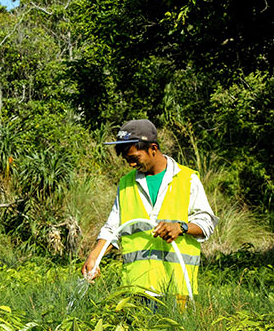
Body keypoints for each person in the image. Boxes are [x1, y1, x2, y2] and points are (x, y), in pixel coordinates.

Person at [82, 119, 216, 300]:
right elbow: (112, 228)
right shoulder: (126, 184)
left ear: (153, 148)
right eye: (127, 160)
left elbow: (207, 223)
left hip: (177, 289)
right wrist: (94, 256)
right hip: (136, 289)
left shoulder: (188, 179)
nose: (131, 165)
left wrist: (181, 227)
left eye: (135, 158)